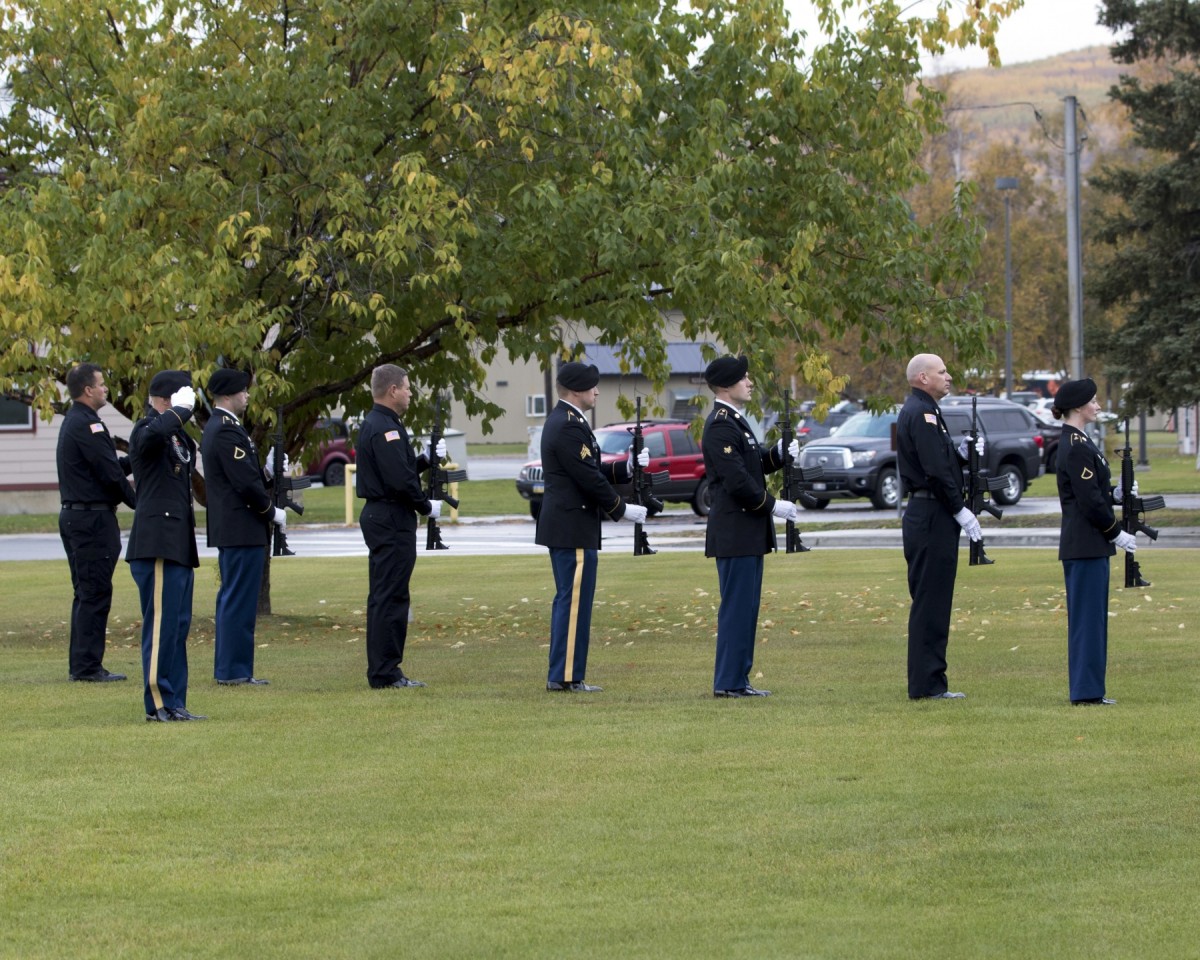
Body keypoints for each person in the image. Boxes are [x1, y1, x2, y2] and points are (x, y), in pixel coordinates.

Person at [535, 361, 648, 693]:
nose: (597, 391)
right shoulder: (568, 425)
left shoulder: (569, 422)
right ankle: (566, 676)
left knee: (574, 601)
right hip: (572, 525)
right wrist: (621, 509)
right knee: (573, 602)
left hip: (572, 524)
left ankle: (568, 673)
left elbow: (591, 467)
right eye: (592, 386)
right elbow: (586, 477)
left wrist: (625, 468)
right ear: (575, 390)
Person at [700, 355, 798, 698]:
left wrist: (778, 455)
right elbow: (736, 481)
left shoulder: (737, 422)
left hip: (746, 531)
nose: (750, 382)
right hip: (736, 530)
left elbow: (752, 465)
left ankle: (738, 680)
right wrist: (774, 505)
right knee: (737, 609)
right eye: (744, 378)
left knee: (747, 609)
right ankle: (728, 682)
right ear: (726, 385)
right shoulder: (721, 424)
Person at [896, 353, 983, 701]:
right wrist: (960, 509)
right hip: (931, 514)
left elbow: (939, 461)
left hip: (931, 513)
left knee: (934, 601)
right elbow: (933, 471)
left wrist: (961, 454)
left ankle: (930, 681)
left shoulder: (927, 412)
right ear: (921, 377)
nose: (948, 377)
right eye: (941, 372)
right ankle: (928, 685)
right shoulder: (922, 413)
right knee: (931, 603)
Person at [356, 364, 446, 689]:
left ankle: (384, 670)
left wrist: (424, 459)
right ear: (392, 390)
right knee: (390, 597)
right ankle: (386, 673)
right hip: (391, 516)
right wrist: (426, 506)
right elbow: (399, 481)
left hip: (385, 514)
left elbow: (400, 469)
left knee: (387, 594)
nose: (409, 393)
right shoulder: (385, 428)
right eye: (407, 387)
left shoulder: (384, 424)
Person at [125, 370, 206, 722]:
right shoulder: (146, 429)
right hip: (156, 542)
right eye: (181, 397)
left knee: (177, 625)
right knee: (160, 626)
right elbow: (149, 440)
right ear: (165, 399)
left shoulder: (176, 437)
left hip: (178, 543)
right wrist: (178, 412)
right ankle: (158, 704)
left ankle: (175, 702)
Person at [1053, 378, 1138, 706]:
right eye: (1093, 400)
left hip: (1089, 545)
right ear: (1077, 407)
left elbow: (1093, 493)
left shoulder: (1081, 441)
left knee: (1093, 620)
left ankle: (1090, 689)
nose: (1098, 405)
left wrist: (1115, 494)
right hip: (1085, 544)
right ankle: (1087, 693)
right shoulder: (1075, 445)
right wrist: (1115, 533)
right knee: (1087, 622)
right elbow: (1087, 502)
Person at [200, 367, 286, 686]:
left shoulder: (228, 427)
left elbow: (248, 475)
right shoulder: (224, 429)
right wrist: (270, 511)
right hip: (240, 526)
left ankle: (234, 669)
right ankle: (234, 671)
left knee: (236, 599)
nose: (247, 396)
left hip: (238, 527)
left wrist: (267, 470)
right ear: (227, 395)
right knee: (237, 601)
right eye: (242, 391)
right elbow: (243, 485)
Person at [56, 362, 138, 682]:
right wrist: (139, 504)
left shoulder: (80, 421)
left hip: (82, 517)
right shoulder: (87, 424)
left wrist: (137, 457)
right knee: (94, 594)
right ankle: (87, 668)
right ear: (88, 390)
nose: (106, 389)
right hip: (91, 520)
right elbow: (110, 474)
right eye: (102, 385)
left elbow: (109, 467)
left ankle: (84, 665)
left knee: (87, 593)